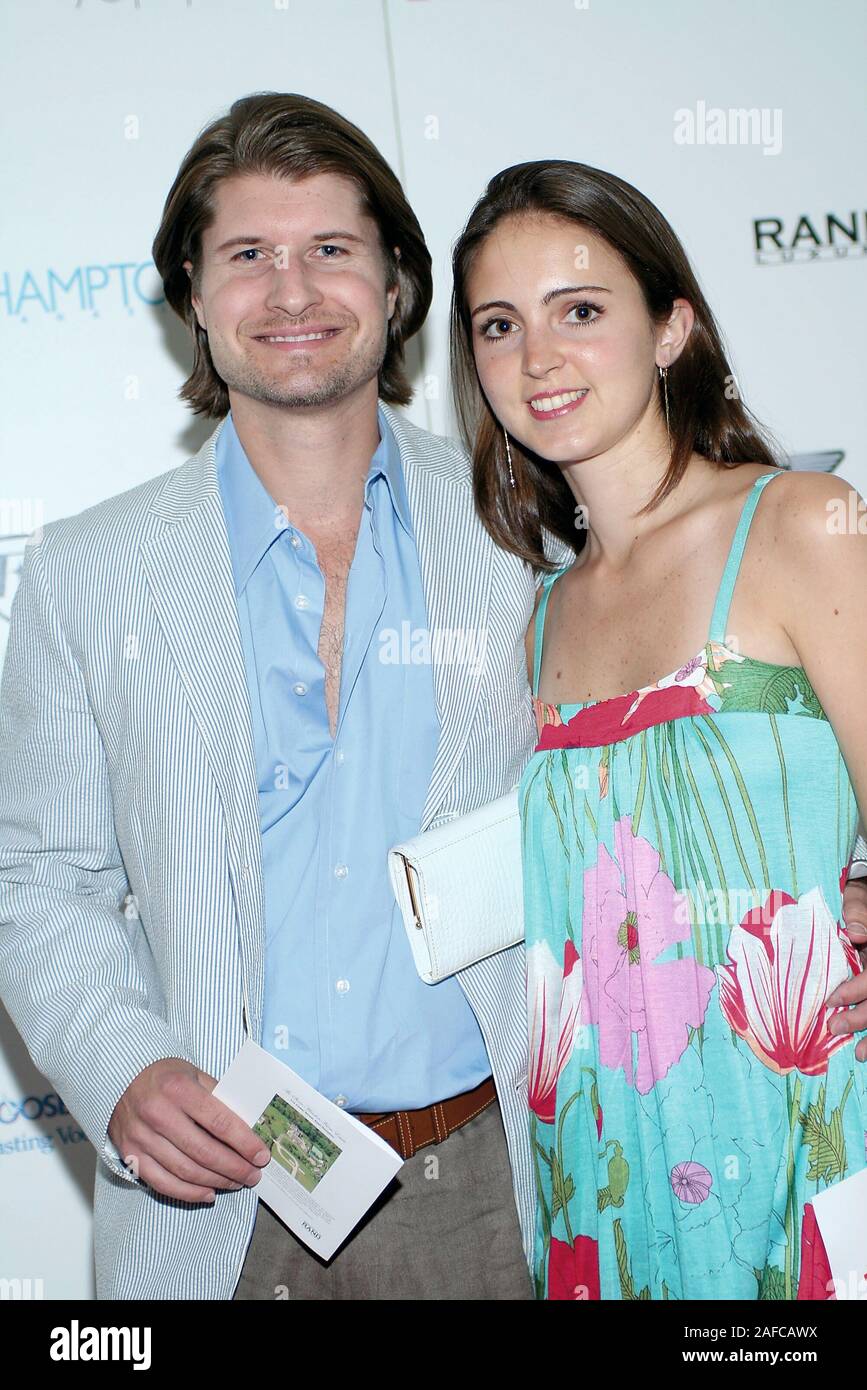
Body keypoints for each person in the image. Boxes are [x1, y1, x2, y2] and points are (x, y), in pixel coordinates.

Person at [0, 93, 561, 1301]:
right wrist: (118, 1065)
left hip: (488, 1185)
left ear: (399, 287)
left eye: (331, 252)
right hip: (218, 1205)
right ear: (194, 298)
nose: (293, 292)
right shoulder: (88, 576)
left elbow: (649, 777)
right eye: (248, 255)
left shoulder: (525, 532)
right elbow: (37, 876)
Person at [449, 159, 867, 1299]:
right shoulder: (532, 616)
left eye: (580, 310)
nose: (538, 358)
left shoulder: (795, 527)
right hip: (609, 1171)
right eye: (500, 324)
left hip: (809, 1126)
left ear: (672, 326)